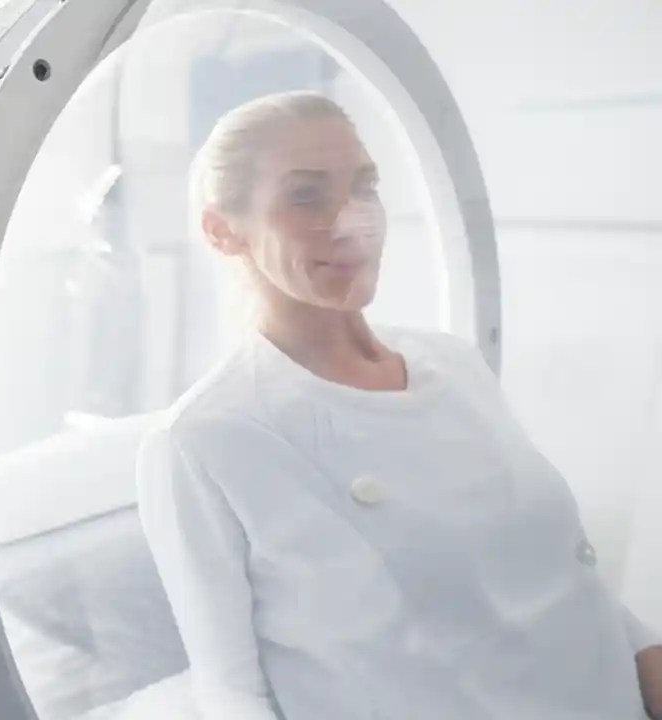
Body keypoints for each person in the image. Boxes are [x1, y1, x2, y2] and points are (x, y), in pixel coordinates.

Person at [135, 90, 662, 719]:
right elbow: (233, 698)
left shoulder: (454, 365)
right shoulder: (208, 439)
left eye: (364, 186)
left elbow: (570, 586)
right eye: (306, 195)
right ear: (224, 231)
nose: (351, 220)